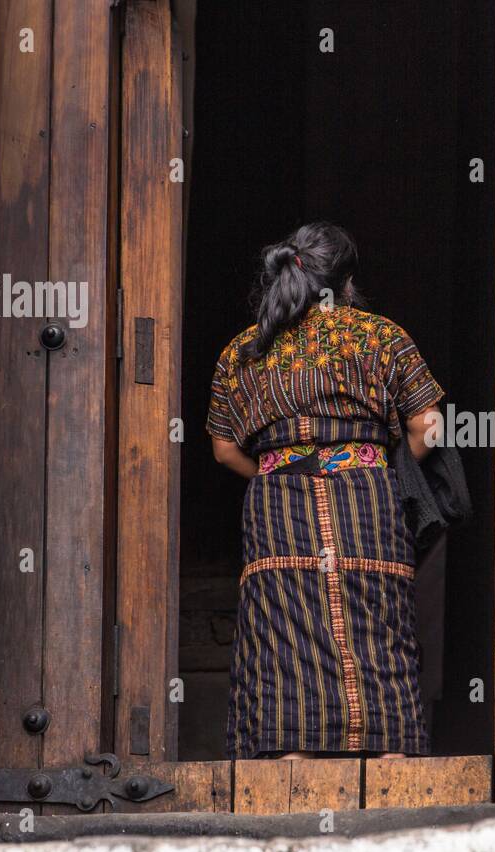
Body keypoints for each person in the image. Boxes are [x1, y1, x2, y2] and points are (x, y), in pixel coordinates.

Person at [207, 222, 443, 760]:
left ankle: (292, 759)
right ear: (348, 282)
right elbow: (429, 425)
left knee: (286, 632)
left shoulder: (242, 350)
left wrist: (279, 471)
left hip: (277, 506)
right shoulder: (381, 336)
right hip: (365, 498)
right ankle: (391, 757)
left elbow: (223, 449)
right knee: (378, 624)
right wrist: (380, 466)